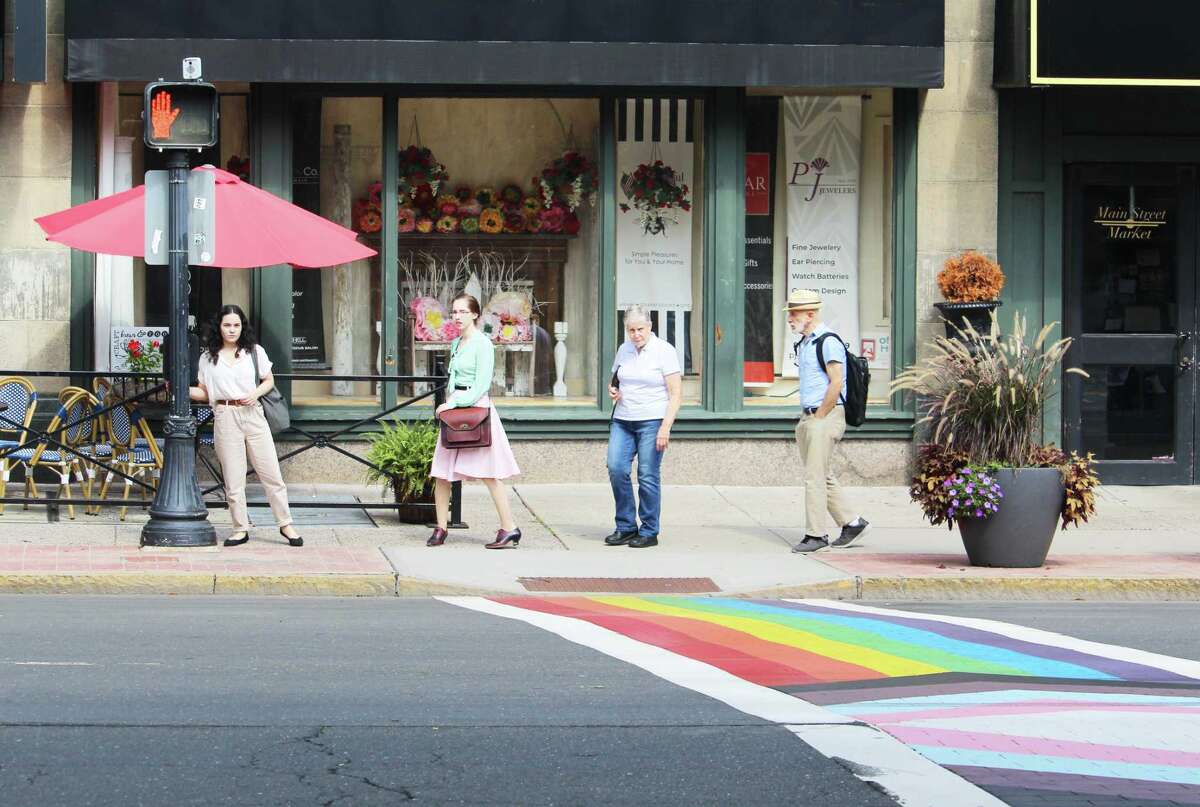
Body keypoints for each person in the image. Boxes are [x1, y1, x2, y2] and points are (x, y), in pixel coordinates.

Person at [189, 304, 303, 548]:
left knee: (271, 473)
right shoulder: (208, 357)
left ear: (243, 327)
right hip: (224, 415)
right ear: (219, 327)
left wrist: (255, 393)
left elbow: (269, 380)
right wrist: (179, 388)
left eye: (236, 325)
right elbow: (203, 392)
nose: (232, 330)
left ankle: (286, 524)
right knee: (233, 479)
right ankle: (240, 528)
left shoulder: (253, 351)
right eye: (227, 325)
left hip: (253, 414)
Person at [428, 293, 522, 549]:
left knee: (490, 474)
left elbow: (481, 384)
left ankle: (509, 527)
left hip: (475, 410)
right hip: (455, 407)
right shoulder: (456, 342)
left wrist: (454, 403)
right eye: (454, 312)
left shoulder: (483, 344)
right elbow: (452, 377)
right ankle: (440, 527)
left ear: (475, 314)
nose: (457, 317)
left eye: (462, 312)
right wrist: (450, 400)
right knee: (442, 472)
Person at [784, 289, 869, 554]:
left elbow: (837, 382)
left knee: (814, 477)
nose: (790, 319)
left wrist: (820, 416)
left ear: (810, 314)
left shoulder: (828, 341)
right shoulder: (807, 342)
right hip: (808, 416)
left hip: (825, 415)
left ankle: (816, 535)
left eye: (794, 314)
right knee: (822, 473)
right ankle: (852, 522)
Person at [604, 305, 682, 549]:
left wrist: (665, 428)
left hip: (652, 420)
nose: (636, 334)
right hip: (623, 418)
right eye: (631, 330)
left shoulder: (664, 351)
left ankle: (649, 530)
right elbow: (615, 378)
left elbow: (676, 394)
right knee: (616, 468)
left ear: (650, 327)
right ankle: (626, 526)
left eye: (640, 329)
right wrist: (612, 390)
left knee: (647, 475)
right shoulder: (624, 350)